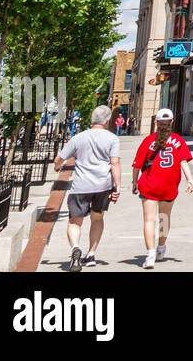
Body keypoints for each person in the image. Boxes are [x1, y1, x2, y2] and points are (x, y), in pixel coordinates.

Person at [52, 105, 121, 271]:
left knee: (75, 221)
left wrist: (57, 167)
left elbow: (59, 158)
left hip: (81, 186)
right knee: (97, 218)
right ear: (107, 120)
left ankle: (75, 247)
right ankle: (90, 254)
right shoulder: (113, 139)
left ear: (92, 119)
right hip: (102, 186)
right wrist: (117, 186)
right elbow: (114, 163)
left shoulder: (78, 138)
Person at [131, 108, 193, 269]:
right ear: (172, 122)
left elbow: (137, 165)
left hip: (150, 184)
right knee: (164, 218)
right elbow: (183, 161)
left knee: (149, 220)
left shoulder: (149, 140)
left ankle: (150, 254)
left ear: (156, 123)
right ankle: (161, 247)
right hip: (169, 185)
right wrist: (190, 180)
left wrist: (134, 182)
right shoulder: (177, 140)